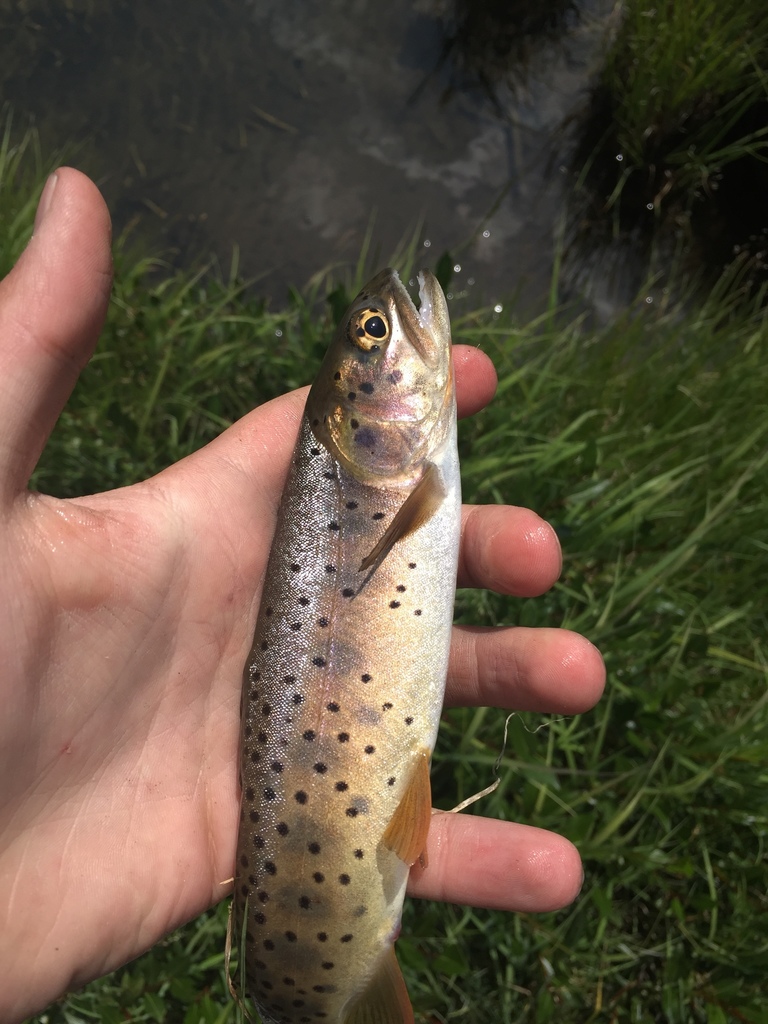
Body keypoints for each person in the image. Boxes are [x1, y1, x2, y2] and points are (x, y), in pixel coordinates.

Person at [0, 169, 605, 1023]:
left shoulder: (393, 483)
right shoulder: (389, 481)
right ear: (349, 421)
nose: (386, 321)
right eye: (373, 333)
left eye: (371, 330)